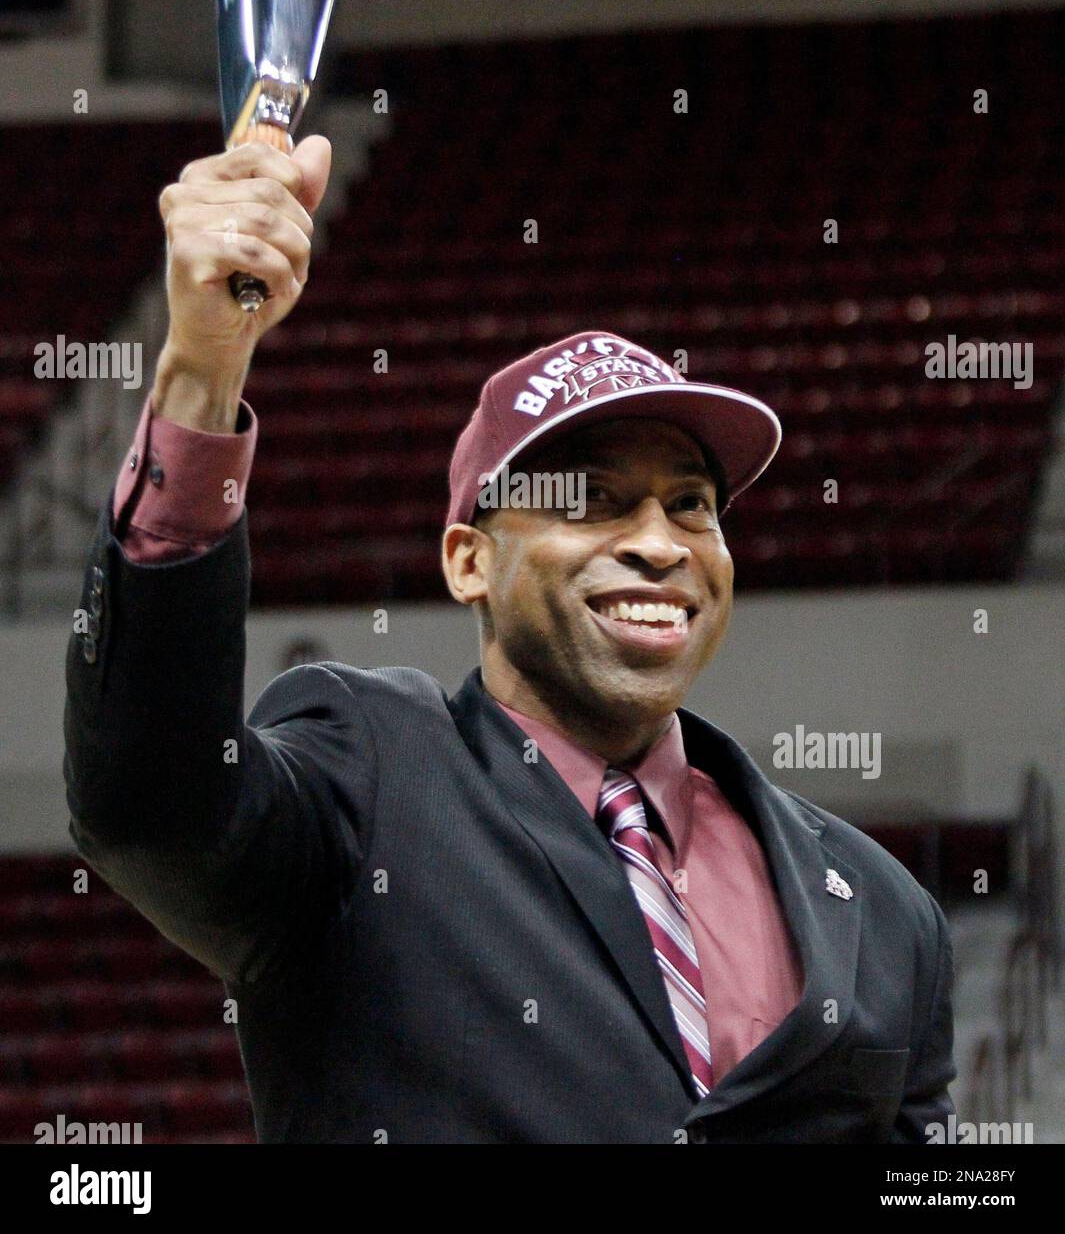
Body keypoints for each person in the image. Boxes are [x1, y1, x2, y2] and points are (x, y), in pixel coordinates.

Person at [63, 135, 955, 1143]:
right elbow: (148, 808)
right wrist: (202, 368)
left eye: (692, 504)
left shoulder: (882, 906)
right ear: (467, 561)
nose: (659, 544)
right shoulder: (371, 776)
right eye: (594, 500)